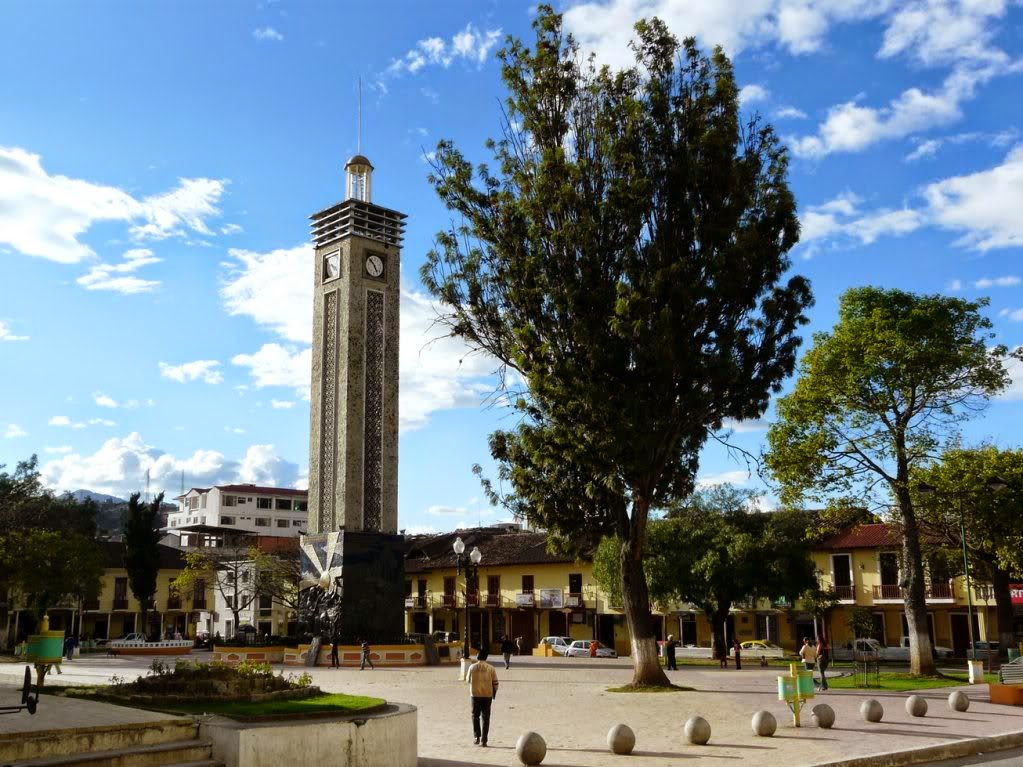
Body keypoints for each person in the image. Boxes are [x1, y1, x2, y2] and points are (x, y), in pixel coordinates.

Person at [466, 649, 499, 747]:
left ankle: (477, 736)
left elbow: (467, 680)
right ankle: (484, 740)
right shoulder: (491, 668)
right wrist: (494, 693)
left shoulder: (472, 667)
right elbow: (496, 683)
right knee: (486, 717)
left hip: (475, 695)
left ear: (477, 656)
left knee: (475, 716)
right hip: (487, 695)